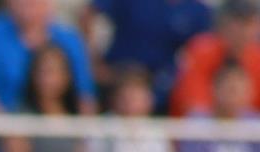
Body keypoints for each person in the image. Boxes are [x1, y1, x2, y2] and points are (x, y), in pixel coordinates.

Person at [0, 0, 97, 115]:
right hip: (2, 132)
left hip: (60, 131)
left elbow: (85, 96)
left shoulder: (70, 40)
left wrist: (82, 138)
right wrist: (10, 134)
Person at [81, 0, 211, 108]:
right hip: (116, 80)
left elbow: (203, 48)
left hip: (163, 87)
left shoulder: (198, 11)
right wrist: (94, 63)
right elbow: (89, 13)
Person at [170, 0, 260, 117]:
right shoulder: (201, 50)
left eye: (249, 24)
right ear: (222, 24)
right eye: (238, 24)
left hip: (247, 125)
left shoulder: (257, 57)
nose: (244, 32)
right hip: (202, 125)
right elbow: (192, 102)